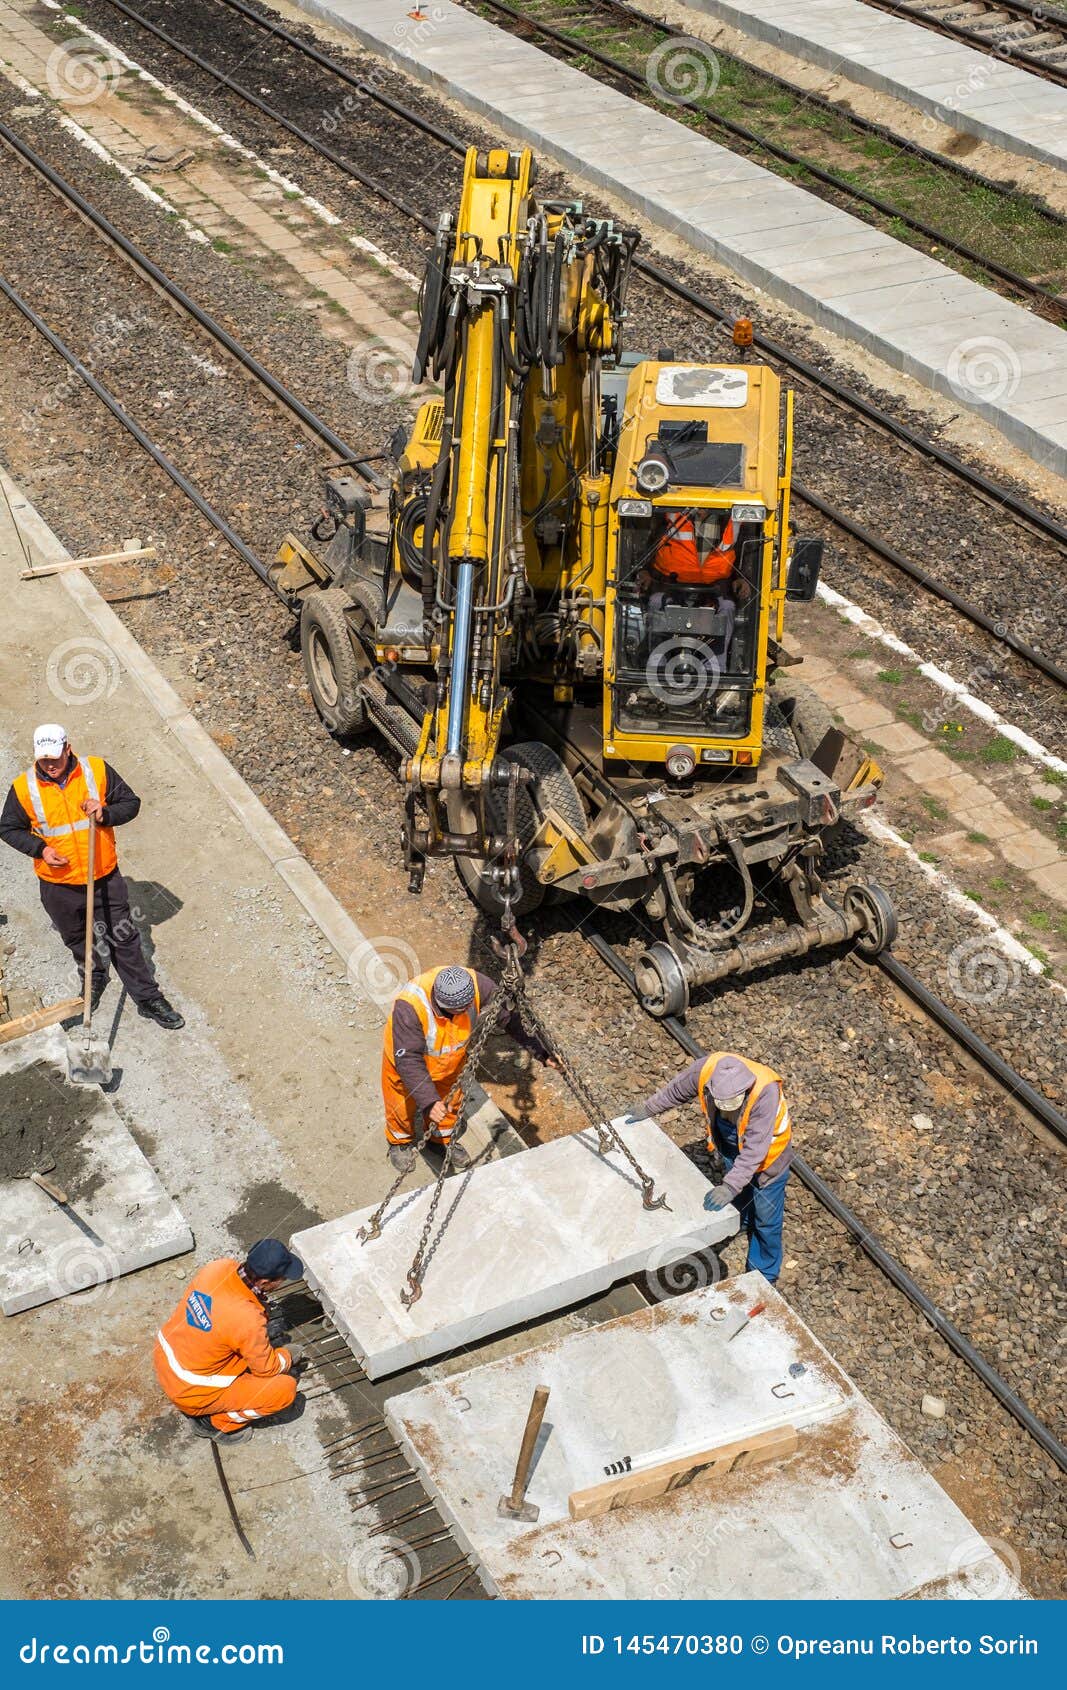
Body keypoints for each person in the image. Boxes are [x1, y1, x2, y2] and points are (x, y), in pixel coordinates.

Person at [0, 724, 183, 1028]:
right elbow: (7, 828)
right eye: (44, 759)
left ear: (68, 748)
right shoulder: (24, 787)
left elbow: (131, 803)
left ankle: (148, 997)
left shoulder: (96, 770)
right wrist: (41, 850)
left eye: (55, 758)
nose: (50, 765)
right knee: (76, 937)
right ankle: (94, 977)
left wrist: (105, 814)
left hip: (104, 877)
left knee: (123, 937)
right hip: (58, 885)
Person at [382, 963, 556, 1172]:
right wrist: (428, 1101)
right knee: (400, 1104)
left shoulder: (476, 985)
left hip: (449, 1063)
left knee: (450, 1104)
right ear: (442, 1004)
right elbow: (408, 1059)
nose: (468, 1011)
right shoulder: (410, 1007)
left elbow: (510, 1019)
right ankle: (400, 1142)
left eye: (468, 1007)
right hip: (406, 1066)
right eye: (460, 1010)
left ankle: (440, 1141)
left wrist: (541, 1052)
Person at [637, 1050, 792, 1283]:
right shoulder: (707, 1070)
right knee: (739, 1187)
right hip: (730, 1138)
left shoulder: (765, 1092)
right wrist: (647, 1109)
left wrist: (729, 1186)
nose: (727, 1106)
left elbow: (754, 1152)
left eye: (732, 1103)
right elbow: (676, 1091)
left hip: (769, 1157)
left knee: (766, 1218)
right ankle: (741, 1219)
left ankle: (763, 1274)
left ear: (745, 1090)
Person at [153, 1239, 304, 1444]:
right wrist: (285, 1358)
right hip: (191, 1392)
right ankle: (215, 1424)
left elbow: (225, 1320)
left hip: (167, 1357)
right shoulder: (246, 1318)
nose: (283, 1282)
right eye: (282, 1278)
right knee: (284, 1390)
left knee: (238, 1344)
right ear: (265, 1283)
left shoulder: (218, 1268)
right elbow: (267, 1370)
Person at [655, 509, 735, 586]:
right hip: (666, 582)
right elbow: (648, 529)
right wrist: (644, 571)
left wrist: (743, 577)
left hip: (722, 587)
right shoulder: (670, 499)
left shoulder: (738, 505)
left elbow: (745, 542)